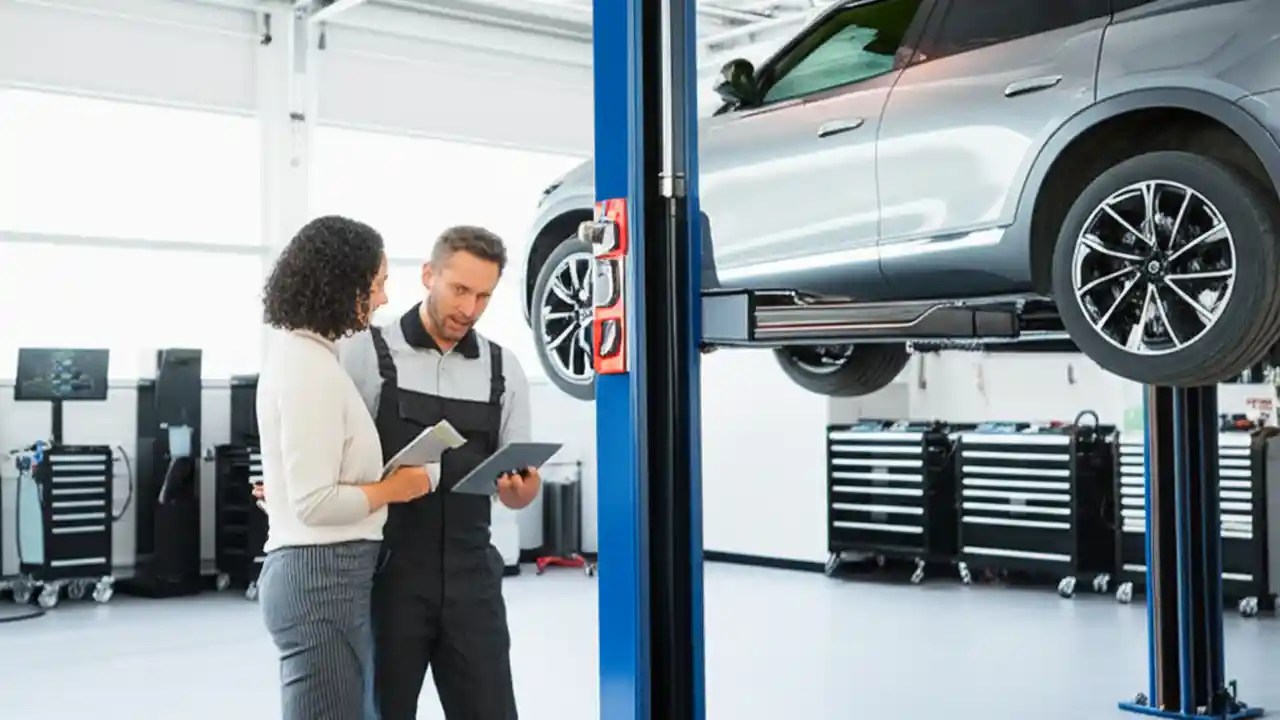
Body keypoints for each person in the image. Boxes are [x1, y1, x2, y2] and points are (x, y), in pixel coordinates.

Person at [338, 225, 540, 720]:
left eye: (484, 297)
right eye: (460, 290)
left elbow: (521, 486)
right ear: (429, 275)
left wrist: (521, 490)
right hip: (390, 575)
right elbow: (337, 459)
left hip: (474, 578)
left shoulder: (503, 368)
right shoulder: (366, 352)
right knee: (382, 711)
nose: (469, 309)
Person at [255, 215, 434, 720]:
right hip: (321, 581)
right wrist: (395, 488)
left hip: (329, 580)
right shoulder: (307, 368)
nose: (381, 299)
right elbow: (315, 504)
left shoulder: (308, 358)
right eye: (376, 284)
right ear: (342, 284)